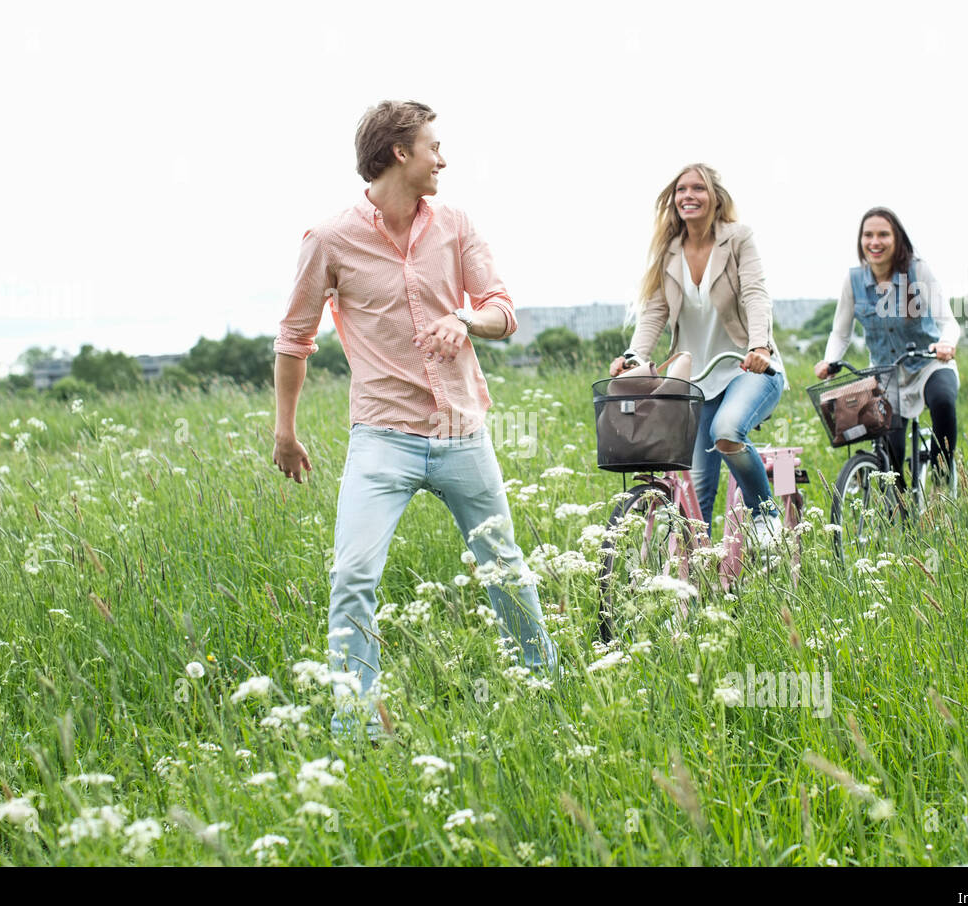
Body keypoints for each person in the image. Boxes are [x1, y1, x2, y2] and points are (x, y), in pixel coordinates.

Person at [271, 100, 558, 741]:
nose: (443, 159)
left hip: (461, 431)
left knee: (505, 567)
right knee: (352, 575)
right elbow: (293, 339)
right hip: (382, 437)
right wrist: (285, 433)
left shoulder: (455, 224)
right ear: (400, 152)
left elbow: (503, 310)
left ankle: (545, 691)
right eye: (434, 146)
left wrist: (466, 321)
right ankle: (355, 728)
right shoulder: (328, 238)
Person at [610, 163, 787, 545]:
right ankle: (700, 583)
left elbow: (756, 294)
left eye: (698, 188)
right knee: (696, 493)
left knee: (726, 431)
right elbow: (655, 311)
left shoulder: (738, 238)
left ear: (715, 197)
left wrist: (760, 345)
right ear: (673, 201)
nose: (688, 195)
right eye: (681, 190)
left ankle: (764, 515)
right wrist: (633, 355)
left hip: (748, 370)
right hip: (699, 384)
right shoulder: (669, 251)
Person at [813, 207, 960, 489]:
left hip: (927, 364)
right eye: (868, 235)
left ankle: (942, 482)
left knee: (942, 401)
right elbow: (840, 333)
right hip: (886, 375)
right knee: (889, 454)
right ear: (861, 241)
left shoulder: (918, 271)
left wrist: (946, 344)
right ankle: (900, 510)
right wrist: (829, 361)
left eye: (883, 234)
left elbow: (949, 322)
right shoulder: (853, 281)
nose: (874, 242)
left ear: (897, 239)